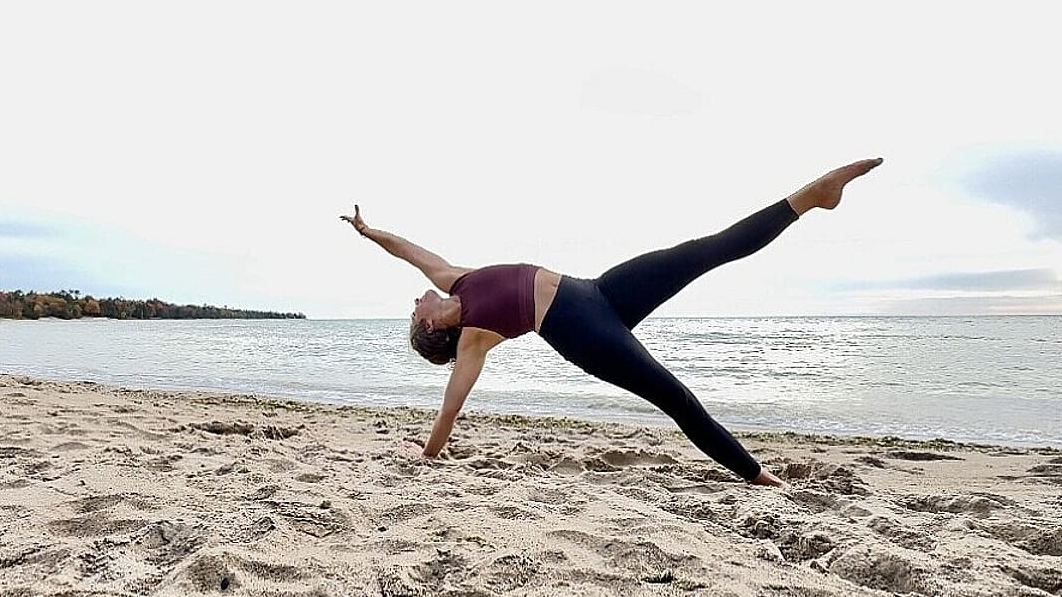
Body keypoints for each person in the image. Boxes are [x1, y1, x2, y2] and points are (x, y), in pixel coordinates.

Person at [341, 158, 883, 486]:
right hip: (585, 335)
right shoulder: (474, 339)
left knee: (702, 251)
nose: (417, 299)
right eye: (416, 311)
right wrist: (429, 451)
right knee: (675, 396)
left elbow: (407, 250)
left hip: (598, 291)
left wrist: (370, 234)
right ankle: (756, 475)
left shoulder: (455, 277)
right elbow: (450, 409)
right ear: (434, 329)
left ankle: (810, 197)